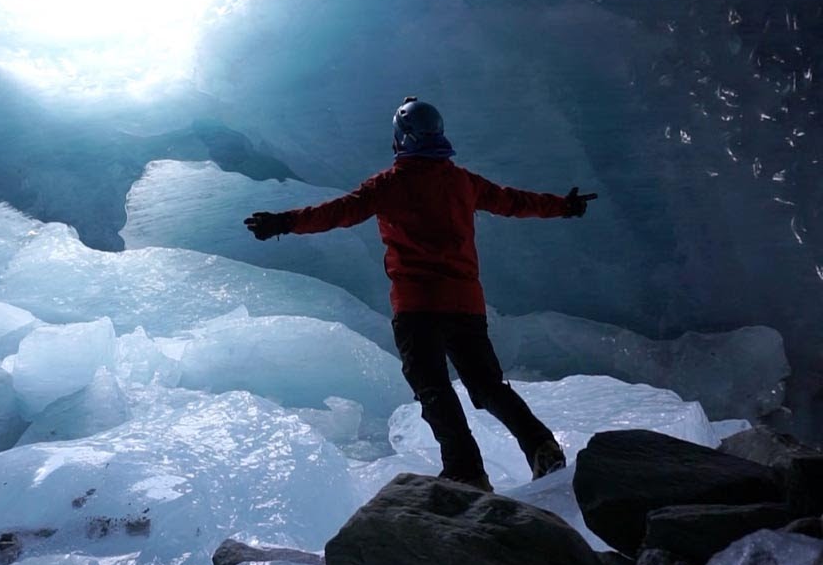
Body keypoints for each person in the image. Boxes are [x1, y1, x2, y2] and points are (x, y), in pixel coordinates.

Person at [244, 96, 596, 492]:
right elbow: (514, 201)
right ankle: (541, 446)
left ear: (401, 138)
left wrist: (283, 222)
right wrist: (563, 206)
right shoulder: (463, 181)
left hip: (417, 307)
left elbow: (337, 212)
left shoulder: (389, 185)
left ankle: (467, 471)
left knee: (433, 388)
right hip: (465, 303)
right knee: (487, 386)